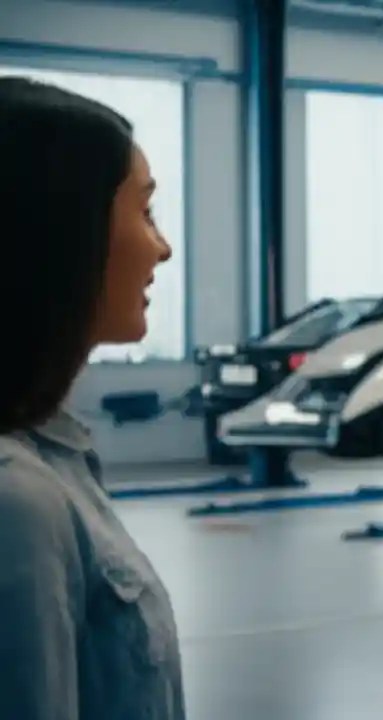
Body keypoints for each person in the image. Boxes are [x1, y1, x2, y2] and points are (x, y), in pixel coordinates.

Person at [0, 77, 184, 719]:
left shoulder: (55, 452)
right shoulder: (17, 503)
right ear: (63, 228)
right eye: (145, 210)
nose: (162, 247)